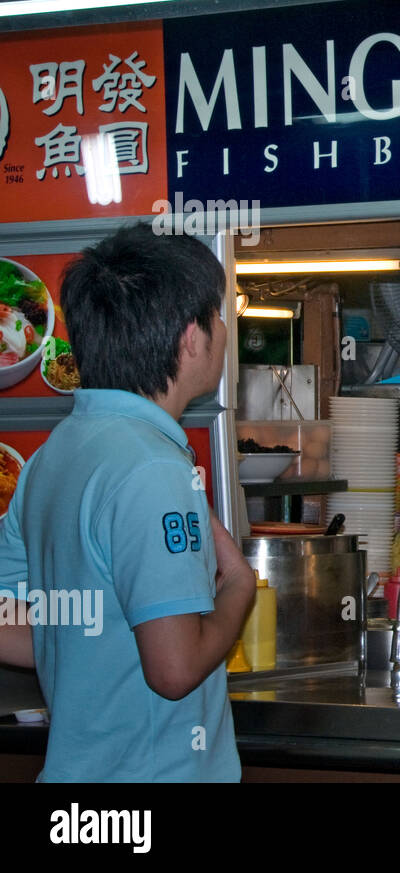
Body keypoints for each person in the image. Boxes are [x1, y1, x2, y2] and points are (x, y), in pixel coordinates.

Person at [0, 223, 255, 782]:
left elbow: (10, 621)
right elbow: (174, 669)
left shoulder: (55, 453)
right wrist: (238, 590)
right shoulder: (154, 467)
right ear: (192, 337)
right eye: (219, 317)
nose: (223, 331)